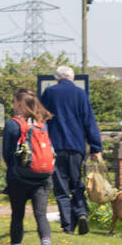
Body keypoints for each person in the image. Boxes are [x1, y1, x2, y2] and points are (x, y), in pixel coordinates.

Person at [40, 65, 103, 235]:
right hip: (76, 147)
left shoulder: (49, 93)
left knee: (61, 188)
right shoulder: (80, 94)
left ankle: (68, 226)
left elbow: (41, 119)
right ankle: (81, 213)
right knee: (76, 184)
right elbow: (89, 121)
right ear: (72, 78)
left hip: (56, 147)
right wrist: (95, 147)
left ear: (57, 78)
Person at [1, 89, 56, 245]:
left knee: (18, 215)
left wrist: (14, 169)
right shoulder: (42, 124)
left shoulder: (12, 124)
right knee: (41, 215)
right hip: (42, 177)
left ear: (19, 103)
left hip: (19, 178)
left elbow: (7, 153)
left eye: (14, 102)